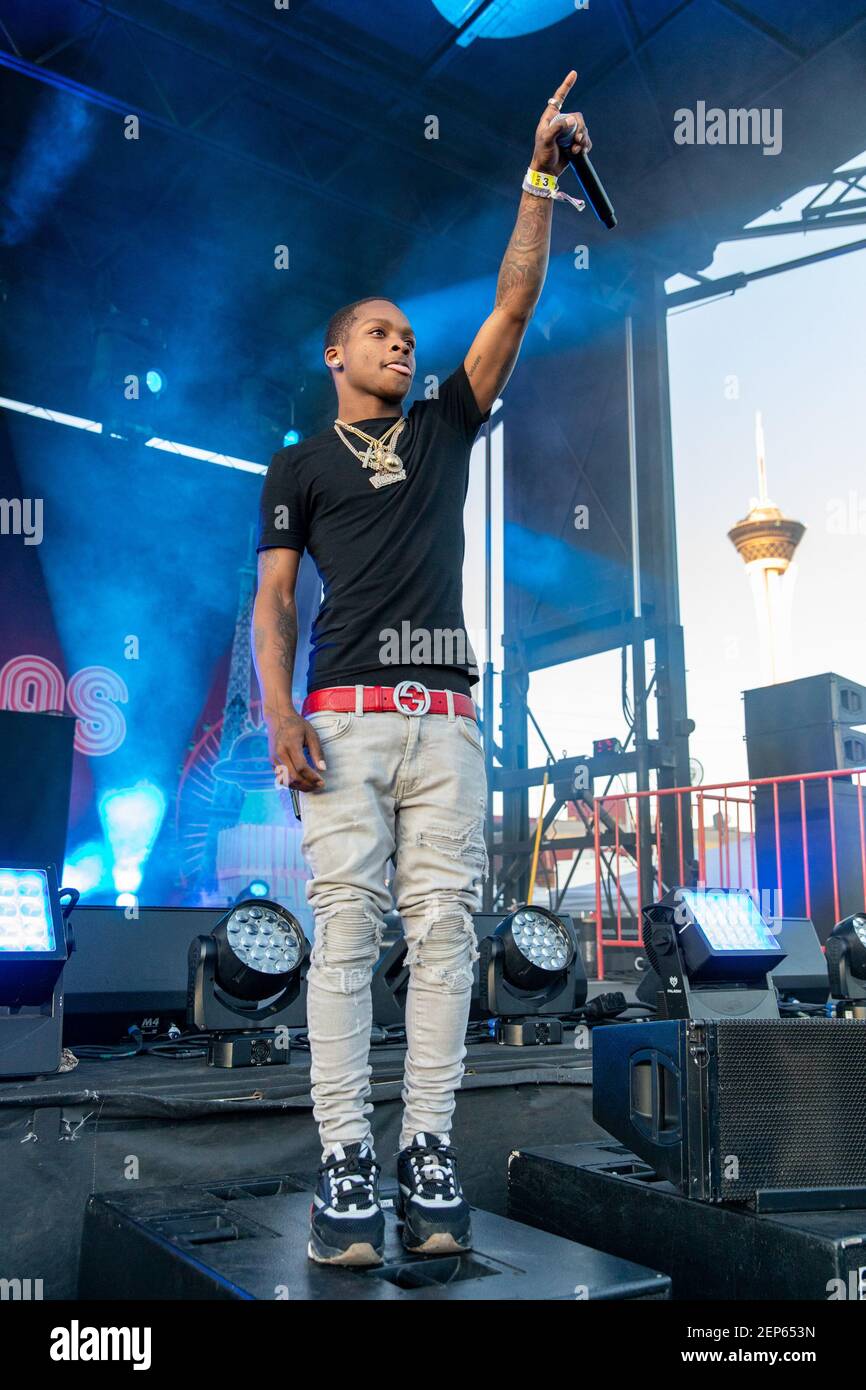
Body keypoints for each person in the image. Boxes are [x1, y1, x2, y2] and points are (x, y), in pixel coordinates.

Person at [252, 71, 591, 1267]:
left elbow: (512, 297)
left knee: (444, 931)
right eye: (379, 332)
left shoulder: (446, 419)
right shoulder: (295, 465)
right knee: (346, 934)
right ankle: (344, 1153)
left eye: (407, 331)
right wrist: (277, 710)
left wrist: (538, 172)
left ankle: (426, 1146)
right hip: (341, 720)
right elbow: (276, 597)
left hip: (446, 718)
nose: (402, 341)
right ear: (335, 352)